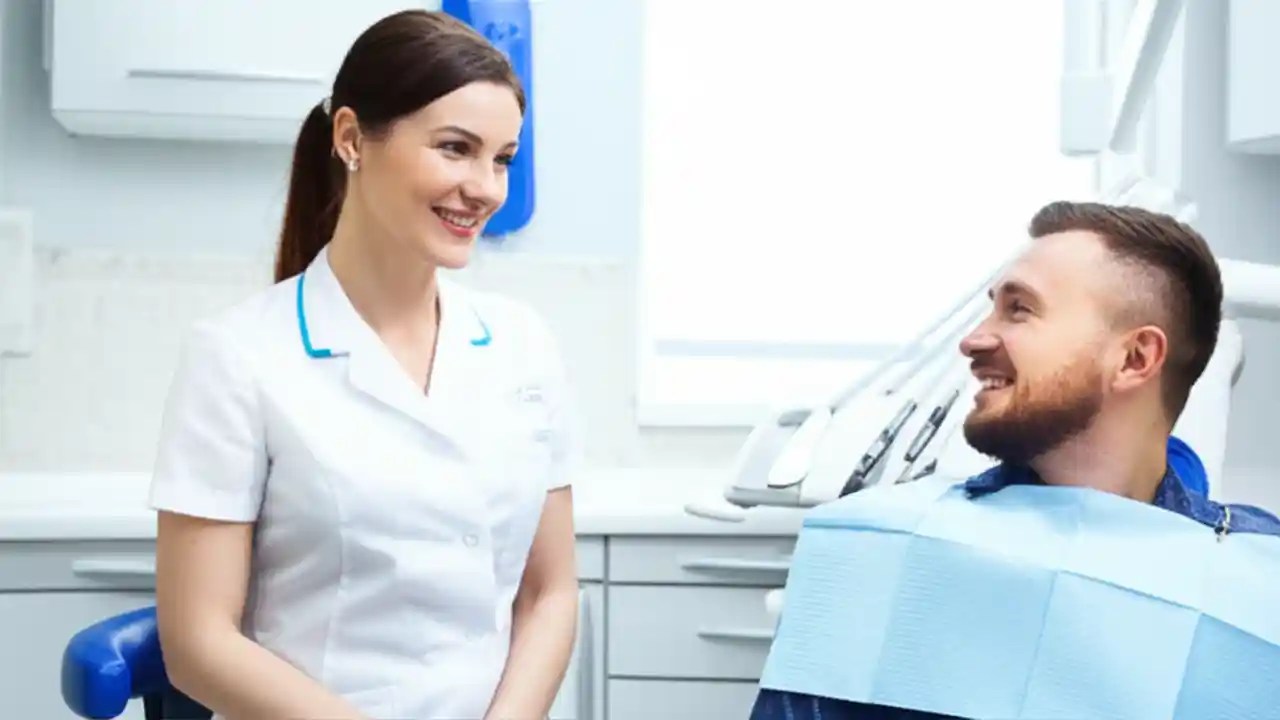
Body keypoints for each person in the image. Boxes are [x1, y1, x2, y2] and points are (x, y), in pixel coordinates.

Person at [148, 10, 580, 720]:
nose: (485, 187)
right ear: (351, 139)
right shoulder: (237, 356)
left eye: (501, 158)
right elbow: (199, 642)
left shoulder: (524, 343)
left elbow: (549, 593)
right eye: (455, 148)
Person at [749, 200, 1280, 719]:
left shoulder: (1256, 574)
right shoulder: (881, 551)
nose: (973, 340)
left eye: (1019, 309)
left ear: (1134, 358)